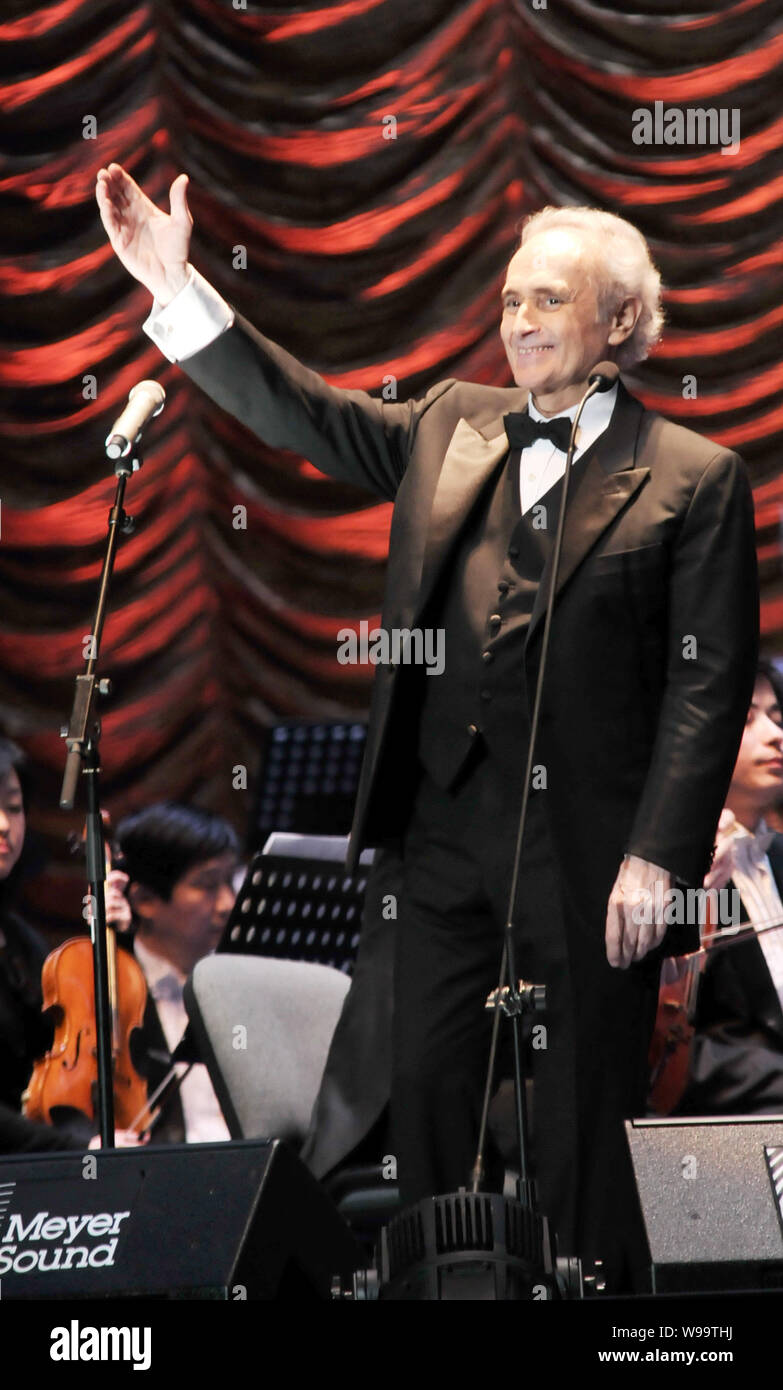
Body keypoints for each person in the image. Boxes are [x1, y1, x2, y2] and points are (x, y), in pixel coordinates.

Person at [96, 166, 759, 1291]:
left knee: (581, 1140)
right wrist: (178, 287)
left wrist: (660, 854)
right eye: (509, 299)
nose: (518, 317)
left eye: (549, 299)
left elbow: (709, 685)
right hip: (440, 841)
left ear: (620, 323)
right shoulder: (457, 424)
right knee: (429, 1121)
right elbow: (312, 415)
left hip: (592, 858)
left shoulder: (695, 480)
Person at [0, 736, 138, 1152]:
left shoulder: (22, 941)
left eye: (13, 807)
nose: (5, 824)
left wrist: (118, 944)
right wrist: (78, 1150)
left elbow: (68, 1073)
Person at [674, 663, 783, 1115]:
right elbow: (689, 1044)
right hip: (733, 1111)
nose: (776, 734)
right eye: (747, 718)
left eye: (777, 716)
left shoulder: (775, 854)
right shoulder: (678, 863)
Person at [115, 802, 239, 1143]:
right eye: (208, 885)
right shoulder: (110, 990)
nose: (228, 902)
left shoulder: (242, 986)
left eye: (230, 880)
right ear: (145, 901)